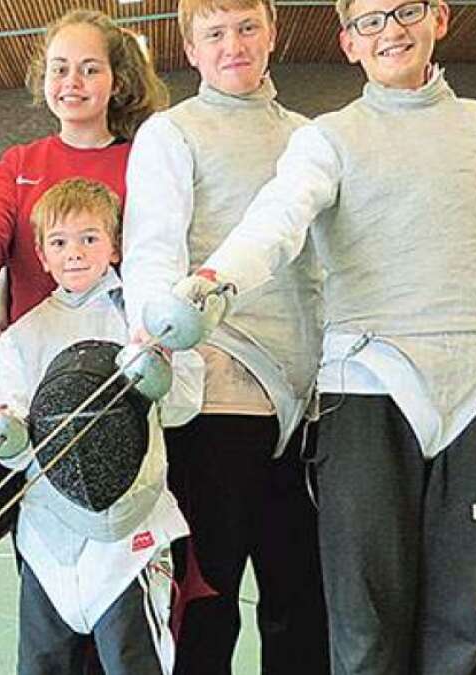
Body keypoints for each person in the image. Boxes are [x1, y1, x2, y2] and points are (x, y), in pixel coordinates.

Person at [172, 1, 476, 672]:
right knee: (363, 631)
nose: (391, 29)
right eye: (369, 20)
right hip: (368, 392)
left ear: (439, 17)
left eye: (406, 9)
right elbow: (278, 220)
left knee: (458, 631)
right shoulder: (327, 138)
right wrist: (215, 280)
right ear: (348, 43)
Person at [121, 1, 329, 672]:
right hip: (215, 403)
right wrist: (163, 330)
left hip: (308, 408)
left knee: (302, 605)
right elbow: (152, 252)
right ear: (191, 46)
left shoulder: (311, 136)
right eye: (215, 33)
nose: (232, 44)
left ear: (273, 32)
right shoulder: (170, 132)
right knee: (206, 604)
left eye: (246, 27)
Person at [0, 178, 202, 674]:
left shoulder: (145, 316)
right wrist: (7, 430)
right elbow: (12, 438)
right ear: (41, 254)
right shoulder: (22, 337)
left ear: (115, 243)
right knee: (43, 665)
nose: (75, 253)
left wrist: (165, 357)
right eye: (60, 242)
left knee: (134, 664)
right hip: (47, 534)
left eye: (89, 238)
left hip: (130, 534)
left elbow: (186, 403)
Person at [0, 8, 168, 325]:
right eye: (60, 70)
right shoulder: (19, 162)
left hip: (124, 343)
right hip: (37, 348)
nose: (72, 82)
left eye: (90, 70)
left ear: (117, 82)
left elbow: (160, 248)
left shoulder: (144, 160)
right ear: (45, 78)